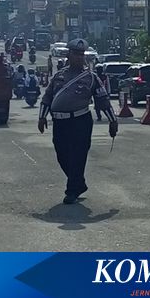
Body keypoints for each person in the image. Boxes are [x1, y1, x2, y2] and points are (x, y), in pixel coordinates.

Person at [38, 38, 118, 205]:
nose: (79, 57)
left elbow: (103, 100)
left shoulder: (91, 78)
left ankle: (72, 190)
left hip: (80, 121)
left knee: (77, 156)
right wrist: (42, 117)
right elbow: (47, 97)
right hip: (60, 123)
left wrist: (112, 120)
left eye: (82, 54)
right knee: (62, 155)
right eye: (76, 54)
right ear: (69, 55)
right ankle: (78, 183)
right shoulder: (59, 76)